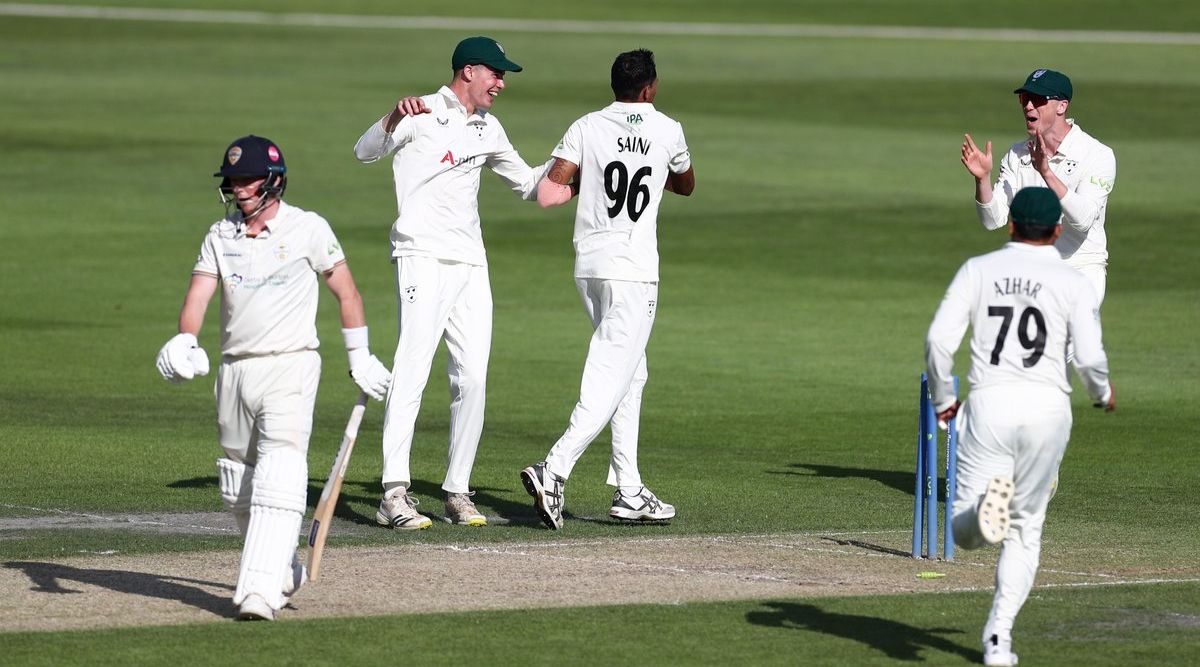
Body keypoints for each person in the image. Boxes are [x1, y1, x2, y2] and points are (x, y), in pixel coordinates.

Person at [155, 135, 391, 621]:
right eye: (233, 181)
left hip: (291, 364)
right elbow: (199, 295)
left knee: (280, 472)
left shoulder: (308, 228)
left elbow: (346, 293)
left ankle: (259, 592)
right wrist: (186, 339)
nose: (239, 189)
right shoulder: (221, 236)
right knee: (237, 484)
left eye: (247, 180)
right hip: (235, 370)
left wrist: (360, 357)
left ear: (273, 181)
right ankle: (284, 567)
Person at [353, 36, 545, 530]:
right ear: (469, 71)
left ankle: (457, 492)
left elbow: (530, 185)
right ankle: (393, 493)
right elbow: (363, 152)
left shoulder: (489, 127)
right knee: (412, 368)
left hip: (471, 264)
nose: (501, 84)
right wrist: (390, 119)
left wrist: (579, 158)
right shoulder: (420, 112)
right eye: (496, 74)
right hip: (421, 255)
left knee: (473, 377)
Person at [924, 187, 1116, 666]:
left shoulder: (978, 269)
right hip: (1048, 410)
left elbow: (938, 342)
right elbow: (1089, 357)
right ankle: (998, 640)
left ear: (1011, 225)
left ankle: (982, 514)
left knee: (964, 533)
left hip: (991, 405)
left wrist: (945, 401)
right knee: (1026, 530)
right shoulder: (1073, 282)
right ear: (1056, 231)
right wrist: (1101, 393)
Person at [520, 48, 695, 530]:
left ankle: (629, 489)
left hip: (590, 266)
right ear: (649, 88)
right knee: (610, 375)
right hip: (633, 271)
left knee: (631, 373)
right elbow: (686, 185)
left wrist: (589, 181)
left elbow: (550, 193)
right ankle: (554, 468)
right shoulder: (668, 129)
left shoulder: (587, 126)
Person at [961, 68, 1116, 304]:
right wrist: (982, 179)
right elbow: (993, 220)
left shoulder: (1097, 155)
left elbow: (1084, 220)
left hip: (1080, 270)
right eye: (1024, 98)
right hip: (1031, 272)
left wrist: (1046, 173)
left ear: (1062, 106)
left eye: (1038, 99)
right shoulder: (1017, 155)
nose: (1028, 106)